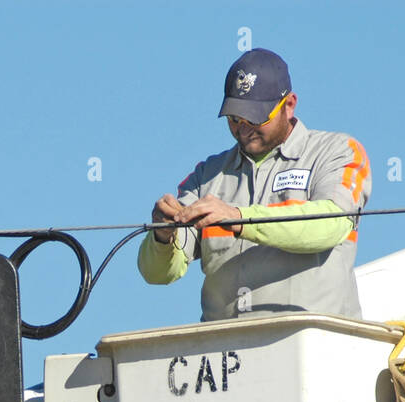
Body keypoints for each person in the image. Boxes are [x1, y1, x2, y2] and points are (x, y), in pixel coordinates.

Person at [138, 48, 371, 321]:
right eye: (235, 119)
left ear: (289, 104)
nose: (243, 128)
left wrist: (239, 218)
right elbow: (158, 274)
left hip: (313, 347)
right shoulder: (207, 175)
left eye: (256, 117)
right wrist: (162, 237)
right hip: (226, 351)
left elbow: (331, 224)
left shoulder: (337, 152)